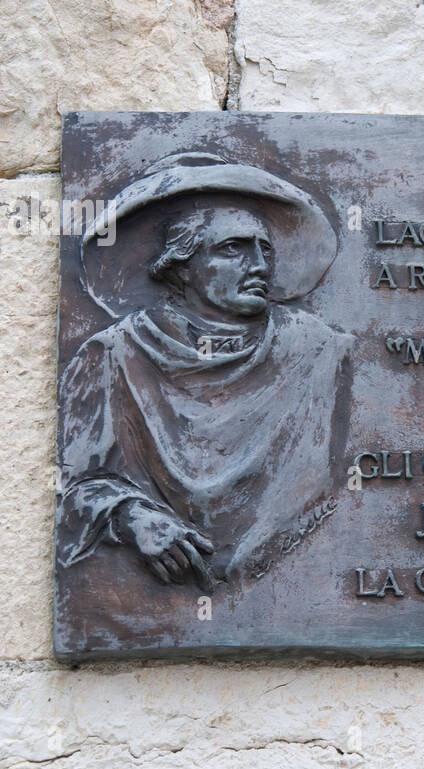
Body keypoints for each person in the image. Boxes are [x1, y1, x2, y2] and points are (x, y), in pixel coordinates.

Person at [57, 180, 352, 591]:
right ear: (181, 265)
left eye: (264, 248)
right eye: (233, 248)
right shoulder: (113, 354)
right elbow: (73, 489)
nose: (260, 266)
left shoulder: (317, 349)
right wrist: (133, 517)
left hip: (304, 583)